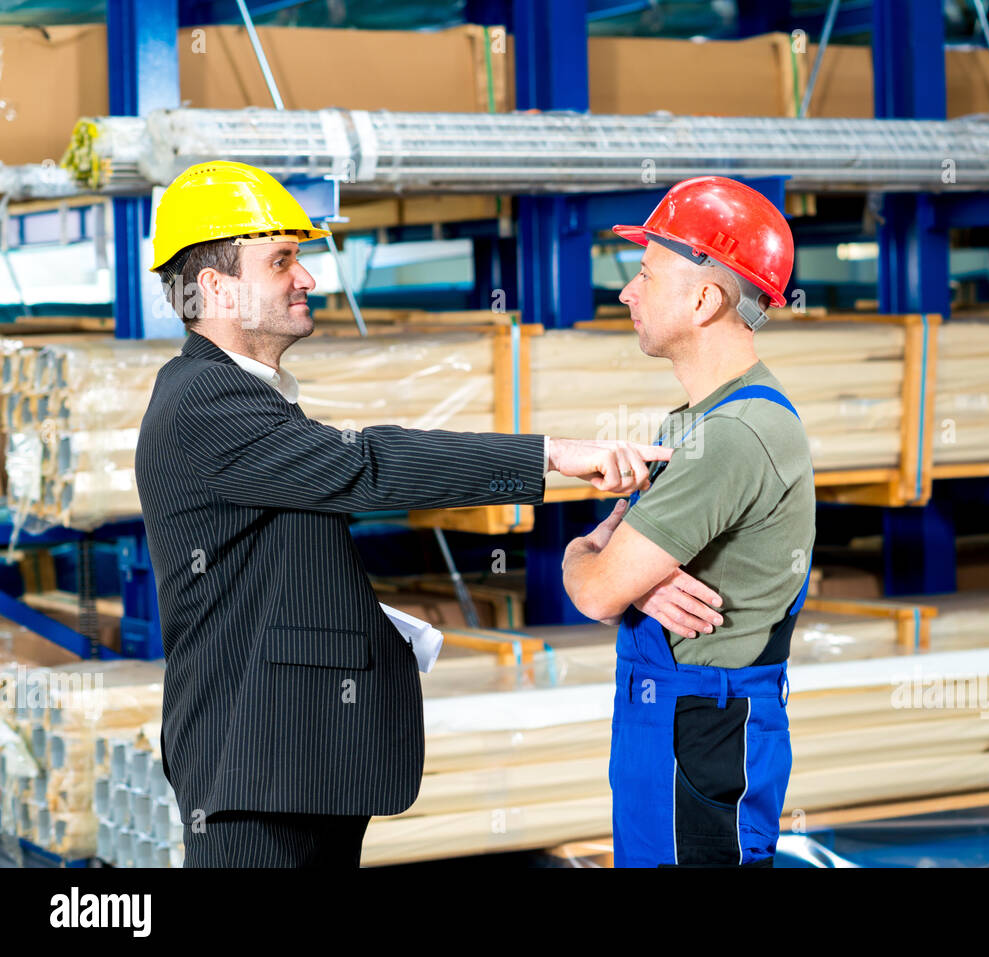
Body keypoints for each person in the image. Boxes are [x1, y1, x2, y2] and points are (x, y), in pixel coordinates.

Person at [135, 160, 670, 867]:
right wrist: (551, 454)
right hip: (251, 766)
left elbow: (273, 567)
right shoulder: (205, 400)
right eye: (283, 260)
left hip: (290, 762)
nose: (309, 279)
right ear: (215, 287)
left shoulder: (244, 398)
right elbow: (367, 466)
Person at [561, 176, 815, 867]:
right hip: (675, 724)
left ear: (705, 298)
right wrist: (628, 577)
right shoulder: (704, 422)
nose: (627, 292)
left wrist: (594, 557)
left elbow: (592, 590)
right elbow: (613, 581)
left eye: (645, 273)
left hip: (700, 731)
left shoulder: (733, 434)